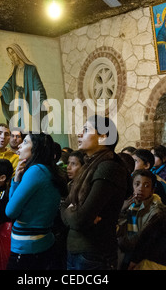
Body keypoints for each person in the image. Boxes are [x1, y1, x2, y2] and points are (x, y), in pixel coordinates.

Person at [61, 115, 129, 270]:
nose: (79, 134)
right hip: (79, 251)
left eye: (86, 130)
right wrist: (72, 211)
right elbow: (64, 204)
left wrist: (72, 211)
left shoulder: (109, 168)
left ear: (103, 137)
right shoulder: (89, 165)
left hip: (94, 253)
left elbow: (80, 219)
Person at [5, 133, 66, 270]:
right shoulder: (49, 170)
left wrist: (15, 182)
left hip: (27, 247)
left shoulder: (35, 171)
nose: (20, 145)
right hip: (44, 242)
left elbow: (10, 211)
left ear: (37, 149)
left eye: (25, 142)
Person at [0, 43, 48, 131]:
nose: (11, 56)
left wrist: (42, 101)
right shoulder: (14, 69)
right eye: (9, 54)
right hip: (16, 99)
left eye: (13, 53)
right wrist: (1, 92)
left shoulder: (31, 69)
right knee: (16, 124)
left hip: (27, 99)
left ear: (18, 52)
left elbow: (38, 86)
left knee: (29, 124)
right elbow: (9, 84)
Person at [117, 169, 164, 270]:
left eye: (146, 186)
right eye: (137, 184)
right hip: (121, 253)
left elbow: (145, 237)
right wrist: (121, 211)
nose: (140, 189)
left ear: (152, 190)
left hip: (138, 256)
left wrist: (121, 242)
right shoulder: (126, 203)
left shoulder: (156, 210)